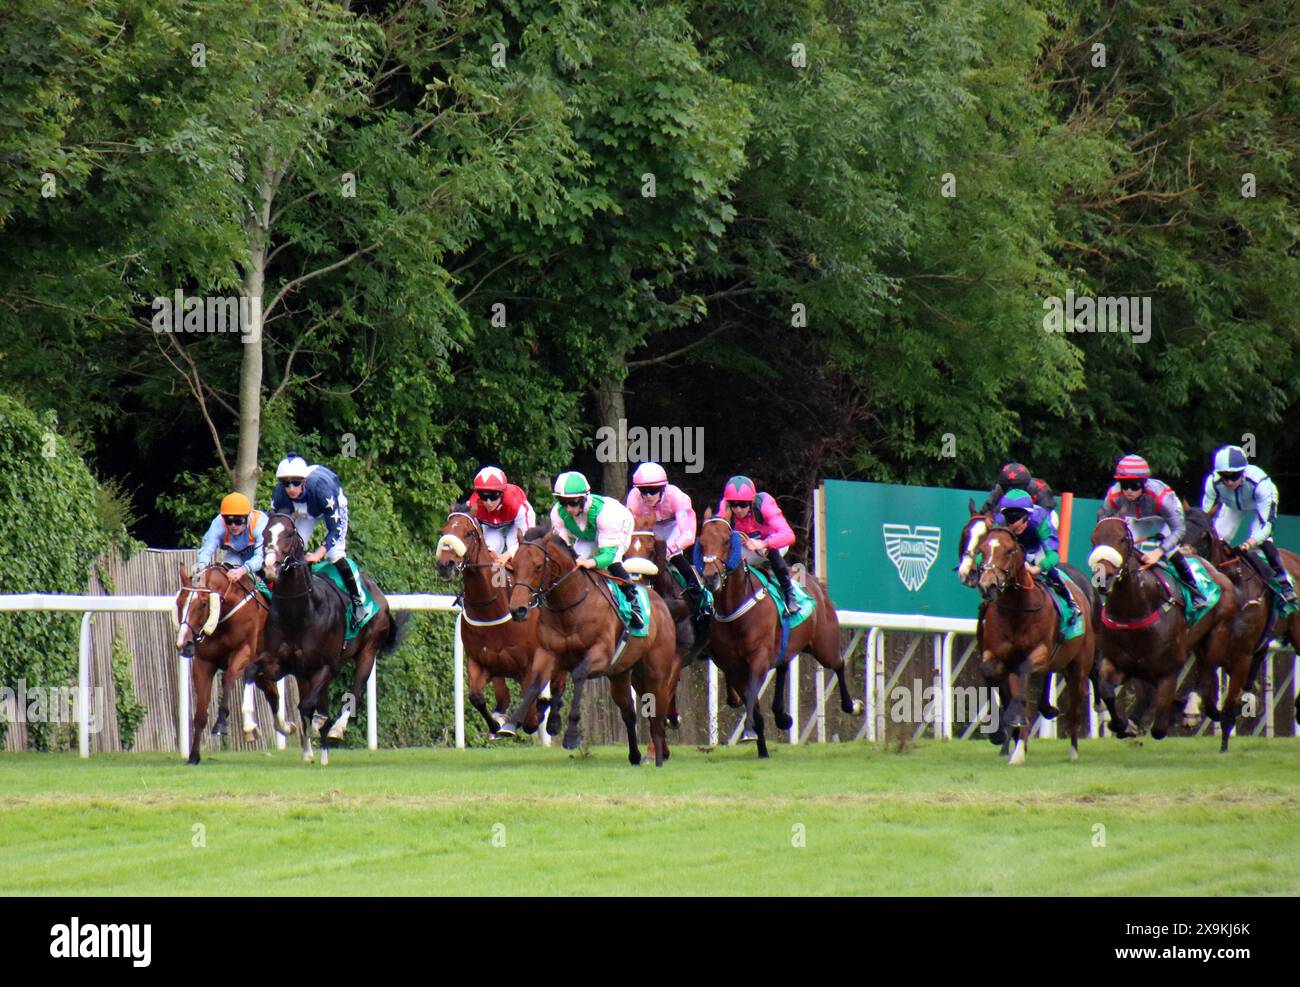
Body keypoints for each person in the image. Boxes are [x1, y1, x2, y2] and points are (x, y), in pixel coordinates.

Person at [1098, 453, 1206, 608]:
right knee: (1122, 549)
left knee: (1170, 551)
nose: (1128, 491)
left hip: (1163, 520)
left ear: (1143, 483)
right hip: (1136, 520)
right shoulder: (1113, 494)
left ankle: (1195, 591)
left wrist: (1159, 551)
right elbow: (1103, 520)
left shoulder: (1161, 496)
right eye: (1124, 485)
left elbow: (1179, 529)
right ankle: (1107, 591)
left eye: (1134, 485)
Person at [270, 451, 366, 625]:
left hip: (330, 505)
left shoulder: (322, 489)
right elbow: (279, 528)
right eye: (286, 483)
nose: (291, 488)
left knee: (334, 554)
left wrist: (318, 554)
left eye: (296, 483)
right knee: (292, 546)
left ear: (304, 481)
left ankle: (358, 602)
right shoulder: (279, 495)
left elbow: (335, 530)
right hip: (303, 510)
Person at [1200, 444, 1296, 606]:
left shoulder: (1260, 484)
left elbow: (1266, 526)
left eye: (1234, 476)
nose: (1229, 482)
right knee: (1215, 537)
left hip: (1258, 502)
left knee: (1263, 540)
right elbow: (1205, 516)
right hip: (1232, 505)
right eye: (1224, 476)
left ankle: (1284, 583)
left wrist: (1249, 542)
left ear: (1243, 472)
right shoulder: (1212, 483)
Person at [548, 470, 643, 630]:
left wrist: (591, 561)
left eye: (573, 502)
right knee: (572, 564)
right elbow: (562, 547)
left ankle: (634, 603)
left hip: (618, 525)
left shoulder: (607, 515)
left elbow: (607, 554)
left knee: (612, 561)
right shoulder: (557, 513)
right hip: (587, 533)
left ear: (584, 498)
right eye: (563, 502)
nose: (568, 508)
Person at [625, 462, 710, 618]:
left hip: (675, 525)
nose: (648, 496)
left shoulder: (676, 497)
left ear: (663, 488)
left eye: (653, 491)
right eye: (644, 491)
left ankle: (700, 598)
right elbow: (631, 527)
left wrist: (669, 549)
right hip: (650, 527)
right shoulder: (634, 497)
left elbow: (687, 534)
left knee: (674, 556)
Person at [718, 475, 799, 615]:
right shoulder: (725, 506)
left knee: (767, 550)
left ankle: (789, 595)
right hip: (747, 545)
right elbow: (719, 532)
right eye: (733, 504)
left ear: (751, 502)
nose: (737, 509)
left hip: (774, 542)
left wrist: (763, 543)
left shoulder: (764, 504)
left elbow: (789, 535)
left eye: (743, 504)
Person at [994, 490, 1077, 619]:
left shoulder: (1040, 519)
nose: (1016, 526)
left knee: (1050, 571)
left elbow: (1054, 556)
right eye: (1010, 518)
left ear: (1028, 515)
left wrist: (1036, 569)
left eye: (1020, 518)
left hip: (1035, 548)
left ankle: (1071, 603)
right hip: (1011, 548)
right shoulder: (999, 522)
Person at [195, 492, 268, 584]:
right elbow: (207, 549)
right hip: (236, 554)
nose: (233, 526)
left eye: (238, 521)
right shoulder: (219, 523)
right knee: (225, 574)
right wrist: (201, 565)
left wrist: (243, 570)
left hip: (261, 556)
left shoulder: (260, 523)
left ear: (248, 517)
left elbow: (261, 556)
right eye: (228, 521)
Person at [466, 466, 535, 562]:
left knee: (514, 546)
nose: (488, 503)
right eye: (483, 497)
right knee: (491, 547)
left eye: (493, 496)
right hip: (491, 525)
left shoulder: (517, 505)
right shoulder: (474, 505)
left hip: (515, 522)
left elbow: (526, 538)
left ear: (502, 494)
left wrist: (508, 554)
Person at [979, 462, 1056, 515]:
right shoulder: (999, 489)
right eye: (1008, 489)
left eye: (1016, 488)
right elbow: (986, 511)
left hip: (1037, 518)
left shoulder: (1040, 488)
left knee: (1052, 518)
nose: (1013, 492)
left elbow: (1045, 514)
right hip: (1011, 518)